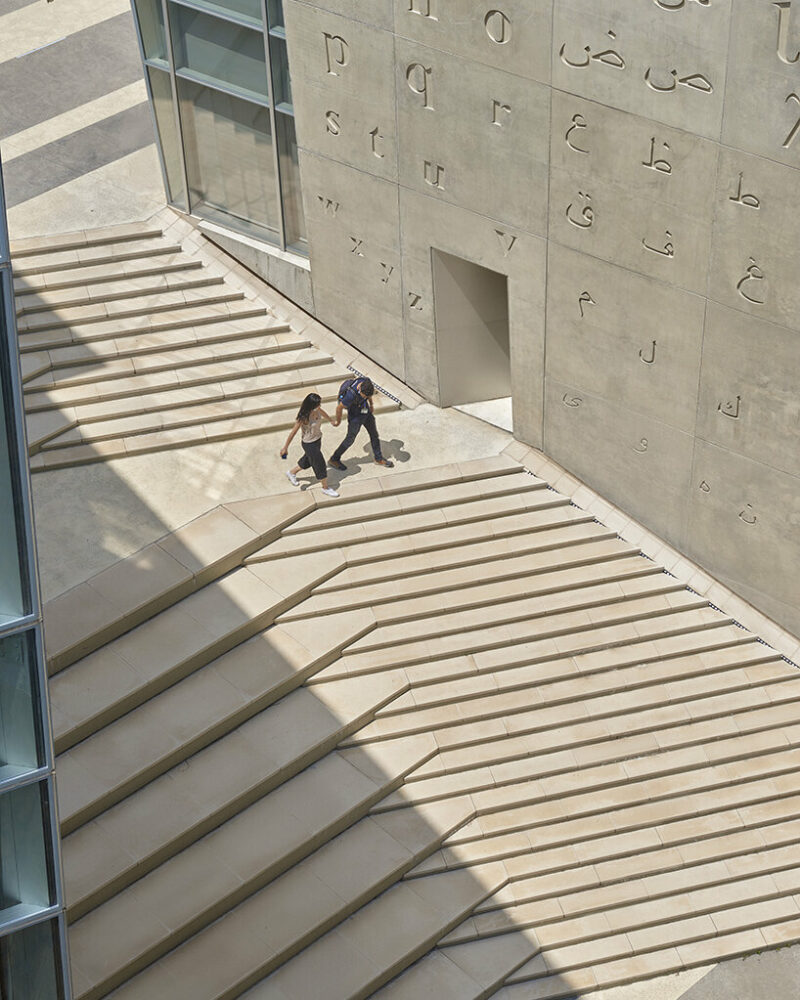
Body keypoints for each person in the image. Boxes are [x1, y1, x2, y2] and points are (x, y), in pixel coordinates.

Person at [328, 377, 394, 471]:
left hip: (365, 411)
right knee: (350, 439)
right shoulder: (350, 395)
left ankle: (378, 458)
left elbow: (369, 395)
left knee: (374, 434)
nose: (365, 397)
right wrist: (338, 422)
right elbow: (339, 408)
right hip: (355, 416)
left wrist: (370, 404)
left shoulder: (366, 382)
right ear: (360, 390)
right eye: (364, 396)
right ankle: (334, 459)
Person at [280, 393, 340, 497]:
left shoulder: (317, 409)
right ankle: (325, 488)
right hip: (309, 444)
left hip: (317, 439)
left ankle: (292, 472)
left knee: (308, 460)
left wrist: (331, 421)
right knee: (319, 464)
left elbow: (323, 413)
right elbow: (293, 433)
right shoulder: (303, 417)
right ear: (311, 405)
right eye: (318, 404)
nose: (319, 406)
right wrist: (285, 447)